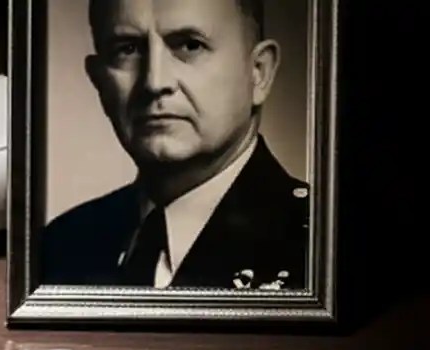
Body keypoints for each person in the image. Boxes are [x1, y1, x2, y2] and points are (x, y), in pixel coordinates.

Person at [41, 0, 311, 290]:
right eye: (127, 49)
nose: (154, 82)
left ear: (259, 72)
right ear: (98, 80)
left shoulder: (324, 245)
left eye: (190, 46)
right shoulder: (60, 245)